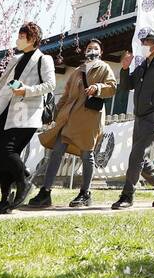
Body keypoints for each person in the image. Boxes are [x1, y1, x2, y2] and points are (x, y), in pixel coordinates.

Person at [29, 39, 118, 209]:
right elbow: (66, 95)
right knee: (56, 152)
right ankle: (45, 192)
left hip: (89, 118)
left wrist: (98, 88)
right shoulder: (77, 71)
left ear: (101, 52)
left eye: (96, 48)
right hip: (69, 118)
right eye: (89, 48)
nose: (92, 50)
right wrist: (55, 113)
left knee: (87, 154)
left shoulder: (104, 68)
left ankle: (85, 193)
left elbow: (112, 87)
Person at [0, 22, 57, 214]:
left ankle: (24, 181)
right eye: (19, 36)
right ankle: (5, 200)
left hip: (26, 113)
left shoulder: (43, 59)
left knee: (8, 150)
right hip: (7, 111)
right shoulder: (17, 59)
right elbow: (4, 88)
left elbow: (50, 84)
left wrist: (27, 91)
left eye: (22, 36)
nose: (19, 39)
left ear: (33, 39)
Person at [111, 27, 154, 210]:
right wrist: (124, 69)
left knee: (136, 155)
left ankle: (127, 196)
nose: (142, 45)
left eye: (146, 42)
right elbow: (127, 86)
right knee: (141, 157)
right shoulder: (142, 66)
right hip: (140, 116)